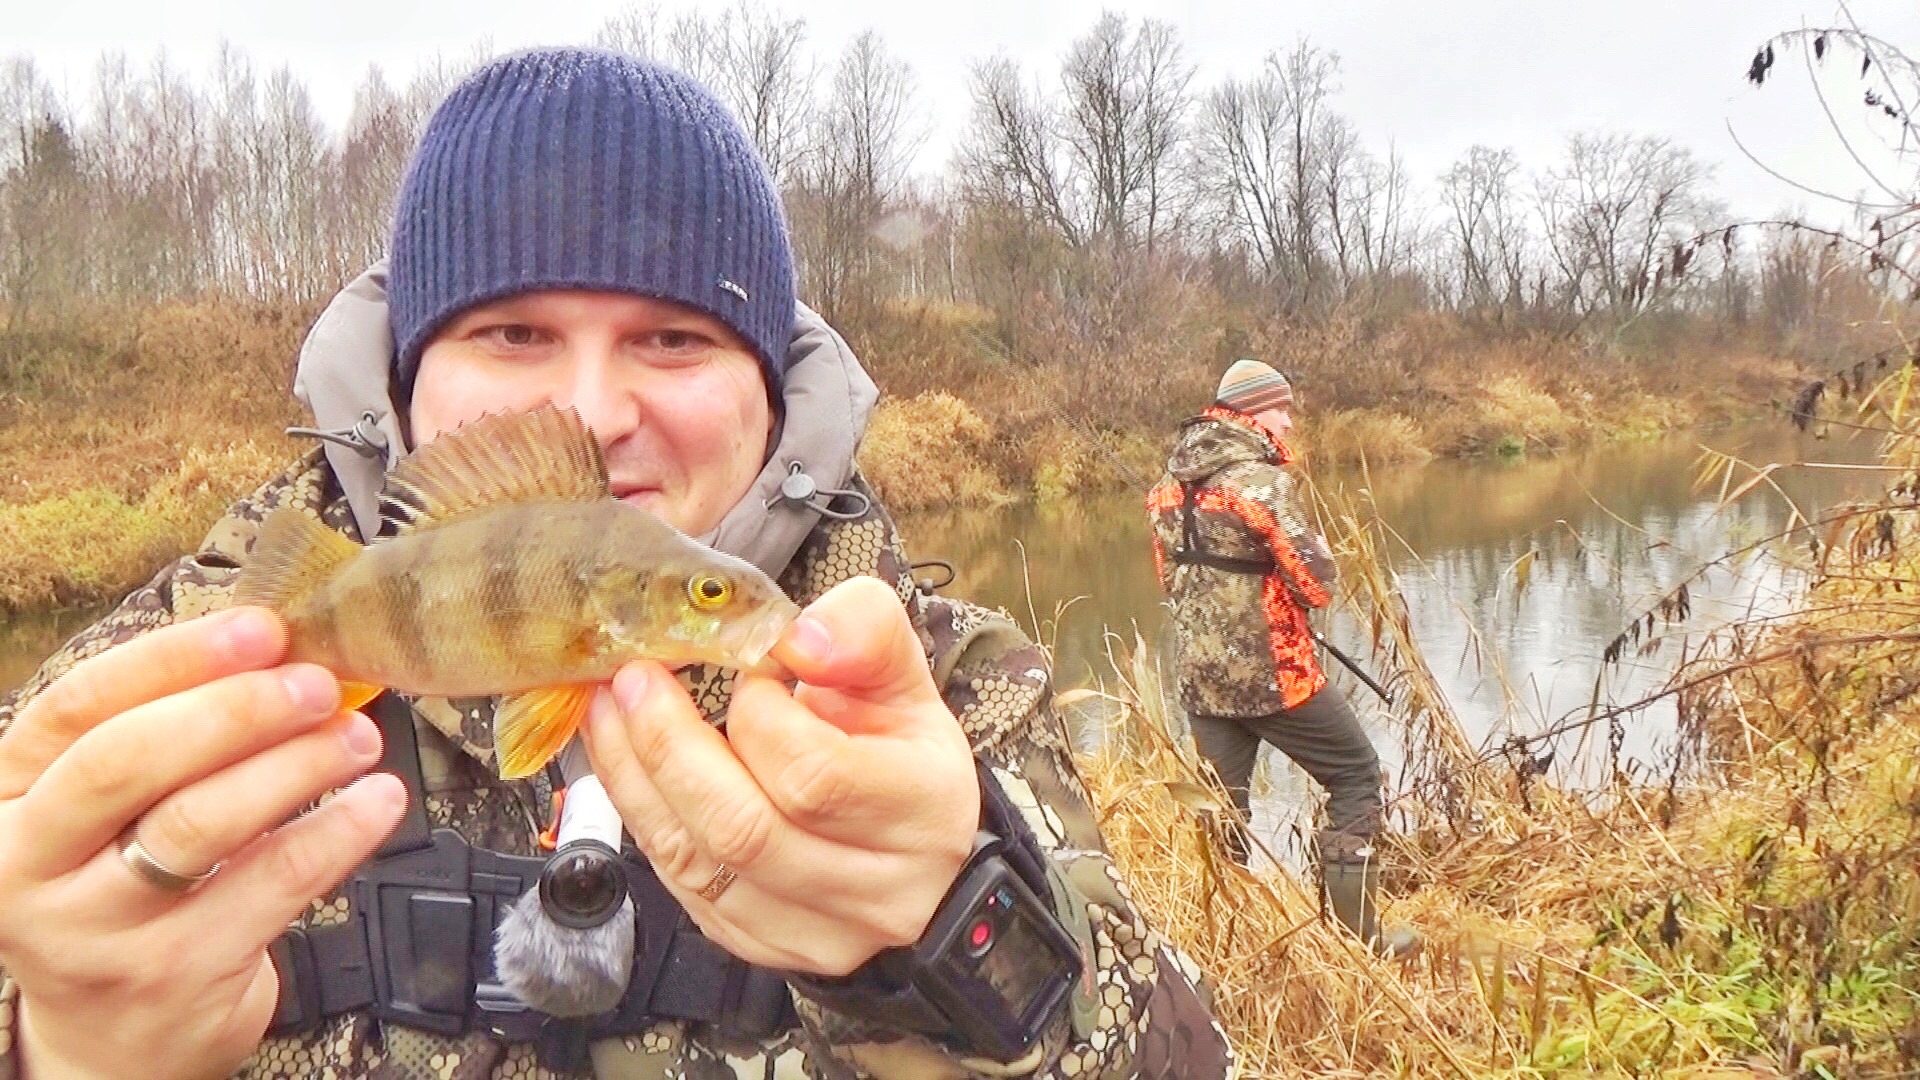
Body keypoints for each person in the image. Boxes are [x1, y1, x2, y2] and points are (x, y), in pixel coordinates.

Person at [0, 48, 1235, 1079]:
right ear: (405, 374)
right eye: (513, 331)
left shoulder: (949, 691)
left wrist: (962, 945)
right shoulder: (163, 677)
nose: (592, 412)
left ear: (767, 387)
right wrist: (57, 1043)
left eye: (672, 336)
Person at [1146, 360, 1416, 957]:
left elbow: (1168, 580)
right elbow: (1317, 582)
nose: (1290, 422)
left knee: (1221, 812)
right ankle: (1362, 938)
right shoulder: (1259, 483)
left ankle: (1223, 947)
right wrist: (1278, 597)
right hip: (1274, 676)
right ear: (1250, 413)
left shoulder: (1166, 486)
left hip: (1200, 681)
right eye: (1281, 410)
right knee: (1355, 776)